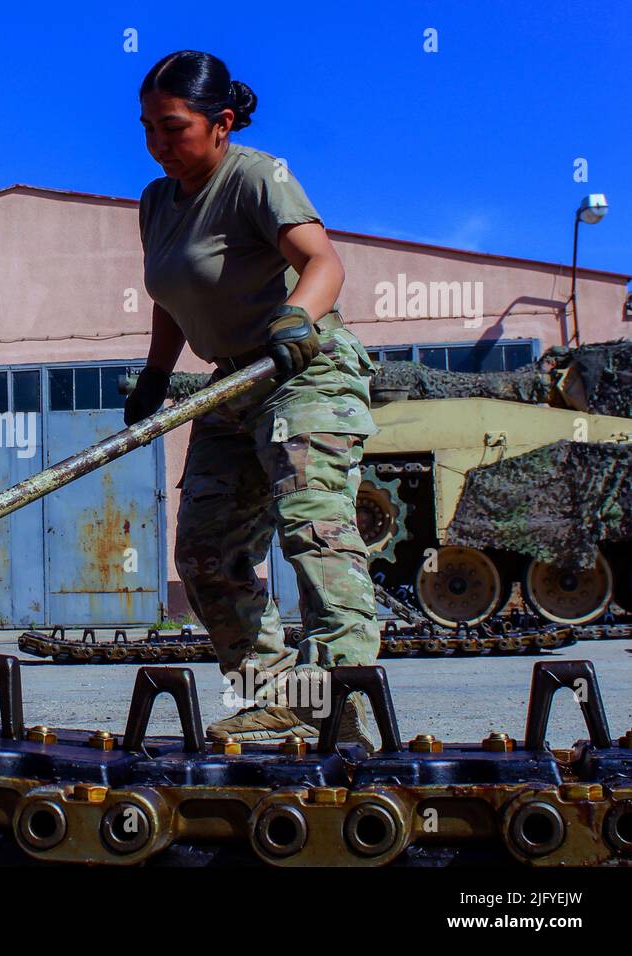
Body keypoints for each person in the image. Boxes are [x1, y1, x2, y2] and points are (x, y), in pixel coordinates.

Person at [125, 52, 380, 748]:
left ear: (222, 123)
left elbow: (323, 261)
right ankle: (282, 696)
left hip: (305, 371)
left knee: (314, 527)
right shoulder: (156, 202)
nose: (158, 143)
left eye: (173, 128)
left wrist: (296, 318)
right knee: (205, 552)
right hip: (231, 384)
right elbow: (175, 297)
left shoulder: (257, 176)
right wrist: (155, 375)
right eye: (147, 127)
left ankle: (346, 701)